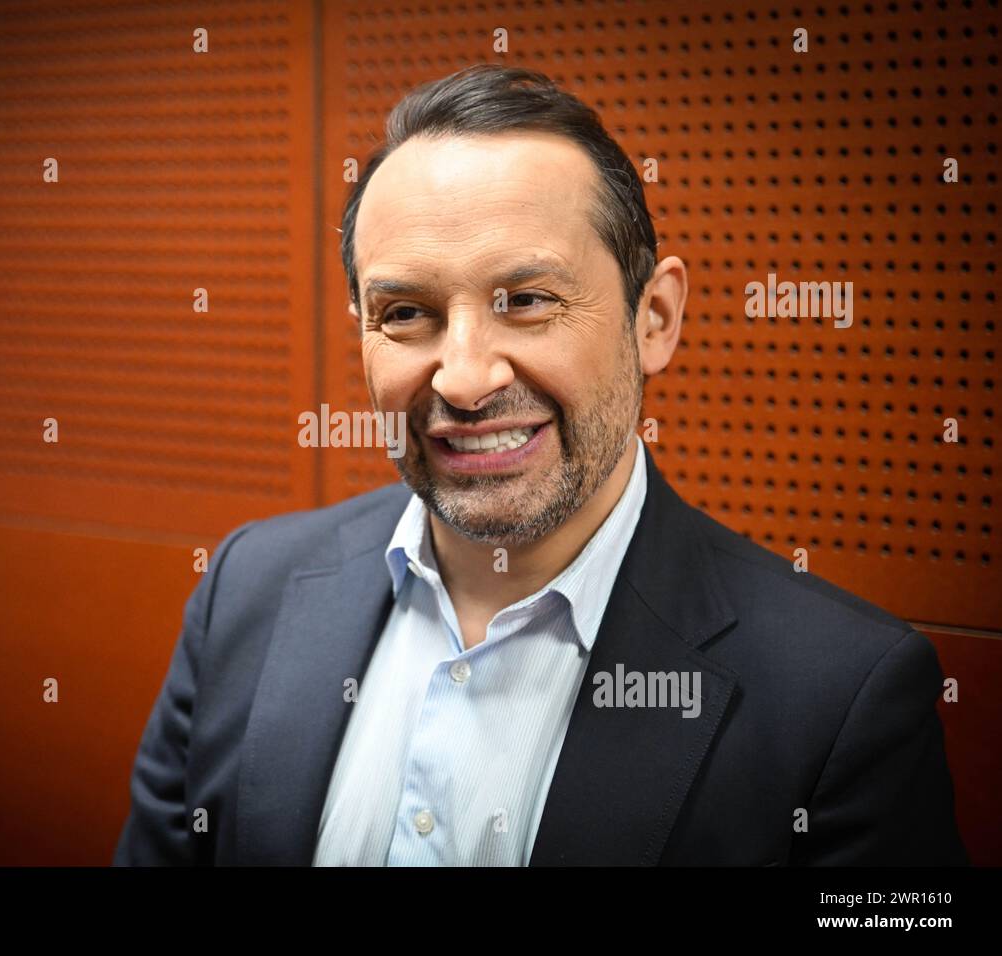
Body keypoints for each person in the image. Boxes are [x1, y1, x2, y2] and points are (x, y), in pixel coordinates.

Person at [113, 64, 968, 866]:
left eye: (526, 302)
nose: (465, 378)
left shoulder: (842, 694)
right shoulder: (244, 592)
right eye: (406, 311)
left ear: (654, 319)